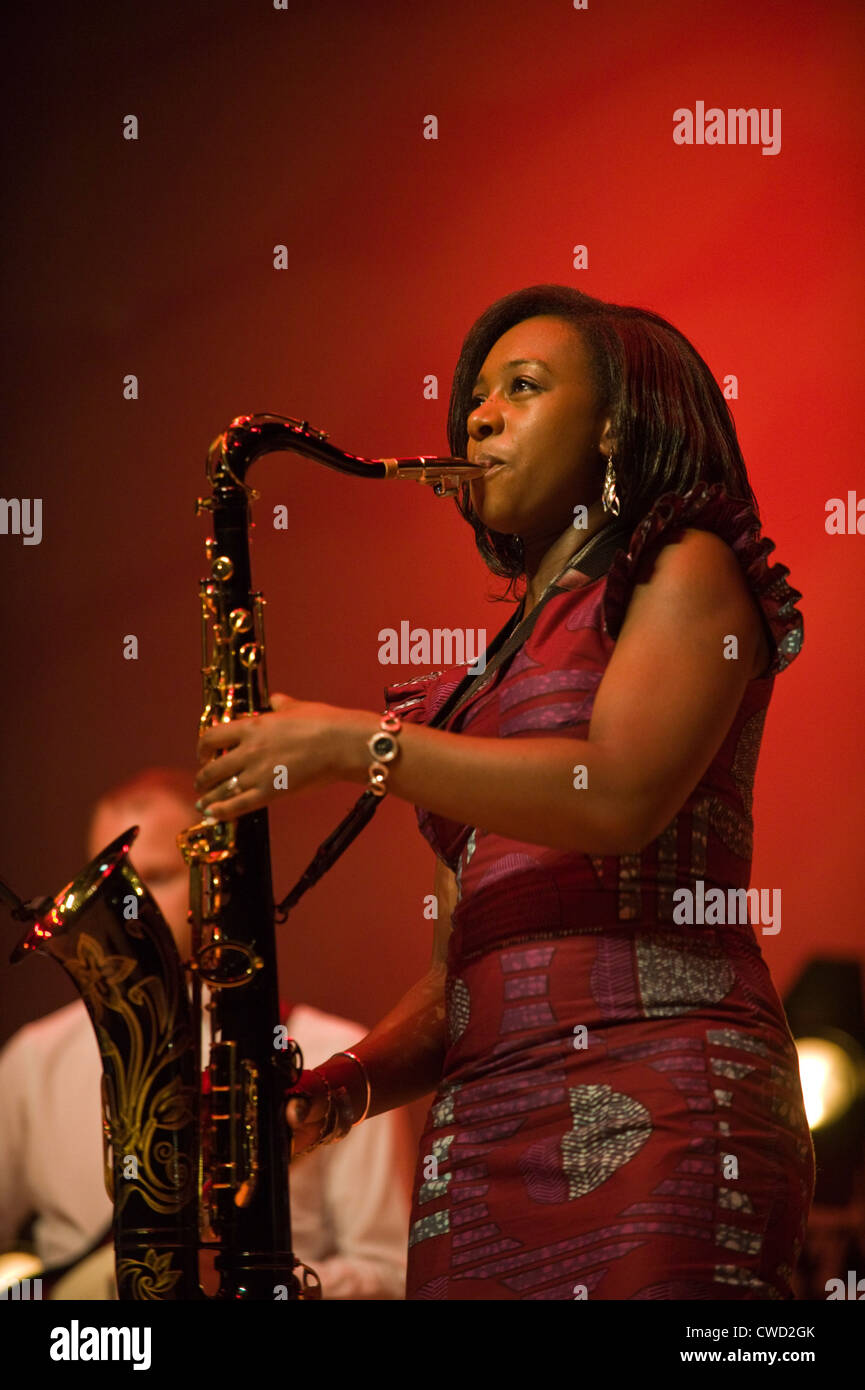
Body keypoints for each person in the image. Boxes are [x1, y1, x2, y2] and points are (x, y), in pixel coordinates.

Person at [193, 284, 815, 1301]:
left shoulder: (689, 565)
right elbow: (461, 974)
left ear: (617, 422)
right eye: (475, 396)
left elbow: (615, 793)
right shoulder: (474, 687)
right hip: (477, 1142)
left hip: (660, 1101)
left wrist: (357, 745)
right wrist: (335, 1093)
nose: (478, 415)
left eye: (521, 388)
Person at [0, 770, 411, 1300]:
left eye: (160, 877)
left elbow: (395, 1275)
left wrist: (264, 1287)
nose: (133, 908)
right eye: (117, 885)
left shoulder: (343, 1054)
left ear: (210, 884)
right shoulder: (34, 1057)